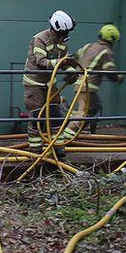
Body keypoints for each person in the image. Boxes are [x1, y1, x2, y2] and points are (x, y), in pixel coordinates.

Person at [22, 9, 77, 152]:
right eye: (64, 32)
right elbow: (41, 61)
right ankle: (36, 151)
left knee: (56, 114)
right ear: (56, 29)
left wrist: (72, 72)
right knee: (37, 117)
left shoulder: (62, 43)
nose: (65, 36)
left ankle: (58, 149)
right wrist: (63, 62)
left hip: (50, 83)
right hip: (34, 84)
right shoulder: (39, 39)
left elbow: (64, 63)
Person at [66, 23, 123, 135]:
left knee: (90, 108)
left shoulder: (88, 46)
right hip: (88, 86)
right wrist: (119, 78)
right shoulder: (106, 51)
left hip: (79, 83)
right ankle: (68, 135)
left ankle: (71, 128)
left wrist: (70, 74)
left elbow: (73, 59)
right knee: (86, 111)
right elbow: (109, 71)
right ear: (113, 39)